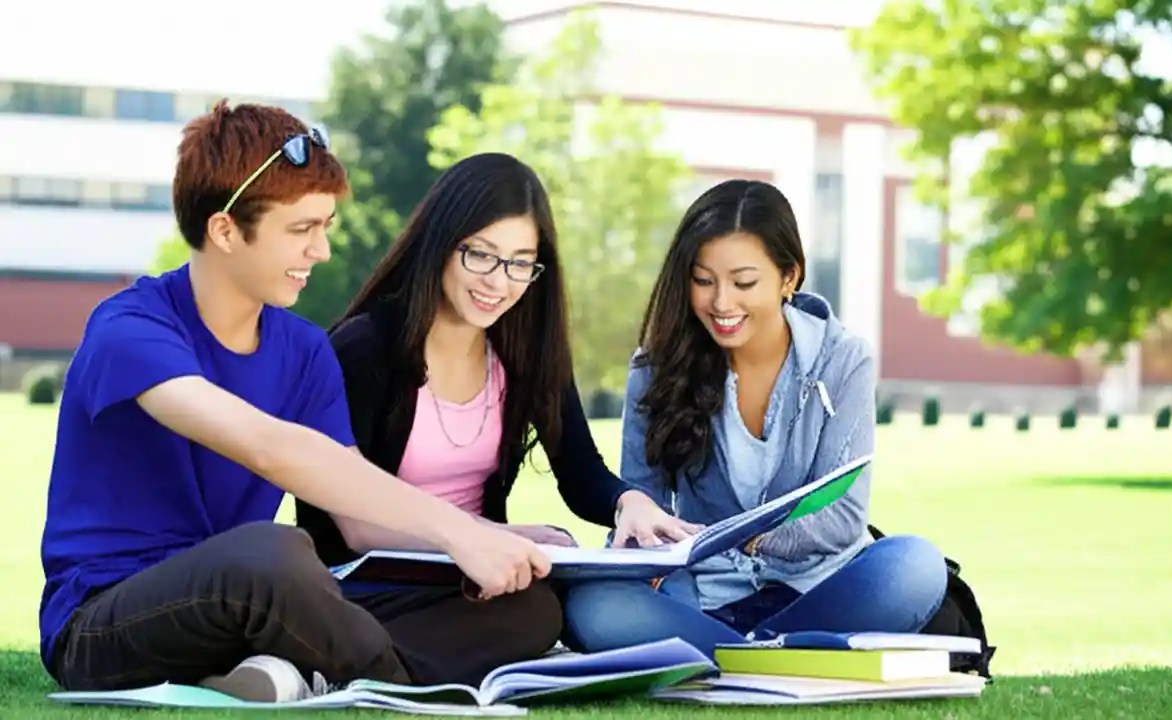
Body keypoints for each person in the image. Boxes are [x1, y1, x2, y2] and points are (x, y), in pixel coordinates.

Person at [38, 101, 555, 703]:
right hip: (107, 617)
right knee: (274, 553)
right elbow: (271, 448)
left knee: (527, 606)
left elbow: (358, 506)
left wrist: (492, 538)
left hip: (245, 603)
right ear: (226, 230)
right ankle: (392, 684)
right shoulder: (129, 327)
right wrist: (457, 531)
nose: (322, 251)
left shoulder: (305, 350)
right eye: (302, 230)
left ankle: (295, 672)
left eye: (326, 226)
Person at [294, 151, 697, 627]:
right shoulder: (363, 349)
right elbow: (357, 525)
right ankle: (343, 659)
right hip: (366, 583)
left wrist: (629, 503)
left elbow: (581, 473)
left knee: (549, 610)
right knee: (533, 619)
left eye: (520, 264)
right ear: (441, 244)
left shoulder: (526, 351)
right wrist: (496, 537)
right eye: (481, 255)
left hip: (481, 581)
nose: (498, 282)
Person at [561, 179, 949, 658]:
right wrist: (641, 547)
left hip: (814, 590)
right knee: (594, 606)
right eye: (703, 281)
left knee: (916, 565)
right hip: (700, 600)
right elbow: (644, 503)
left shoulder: (843, 360)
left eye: (744, 283)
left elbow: (845, 519)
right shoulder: (655, 367)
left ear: (789, 277)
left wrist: (747, 538)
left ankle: (733, 658)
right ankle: (777, 658)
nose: (722, 303)